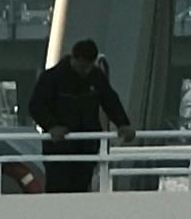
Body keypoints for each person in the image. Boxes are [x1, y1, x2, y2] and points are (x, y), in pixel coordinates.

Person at [26, 34, 130, 191]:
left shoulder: (96, 76)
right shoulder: (52, 77)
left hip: (87, 145)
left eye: (88, 67)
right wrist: (52, 126)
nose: (85, 71)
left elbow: (110, 101)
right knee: (57, 188)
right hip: (59, 147)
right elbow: (35, 106)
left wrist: (123, 124)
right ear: (73, 59)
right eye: (82, 67)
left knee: (81, 186)